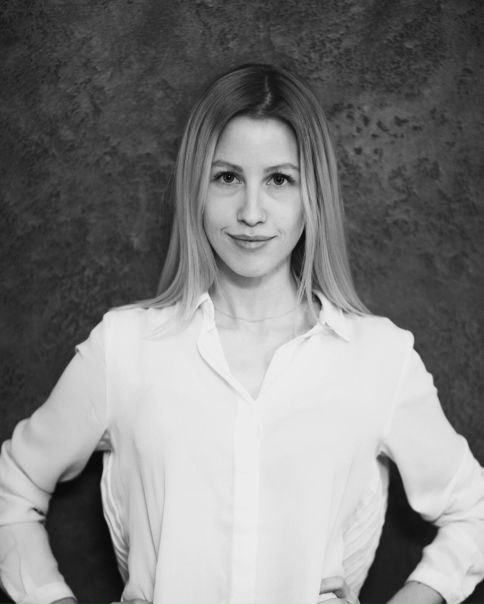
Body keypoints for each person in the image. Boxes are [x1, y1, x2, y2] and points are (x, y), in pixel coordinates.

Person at [0, 63, 483, 604]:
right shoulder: (125, 347)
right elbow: (11, 490)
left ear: (313, 193)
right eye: (227, 177)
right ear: (196, 187)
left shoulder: (378, 358)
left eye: (280, 179)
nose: (252, 213)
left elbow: (474, 512)